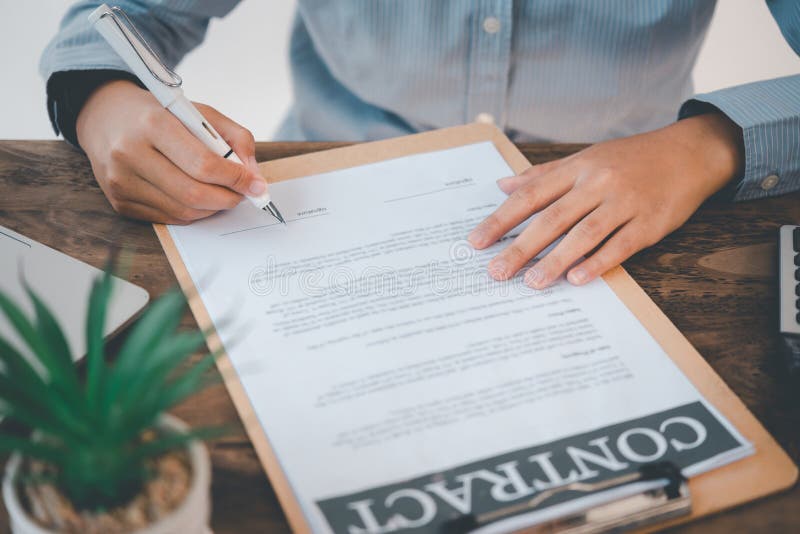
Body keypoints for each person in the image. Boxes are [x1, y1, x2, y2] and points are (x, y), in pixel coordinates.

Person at [41, 1, 799, 289]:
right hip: (318, 176)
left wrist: (709, 146)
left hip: (625, 195)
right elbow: (122, 16)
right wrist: (100, 101)